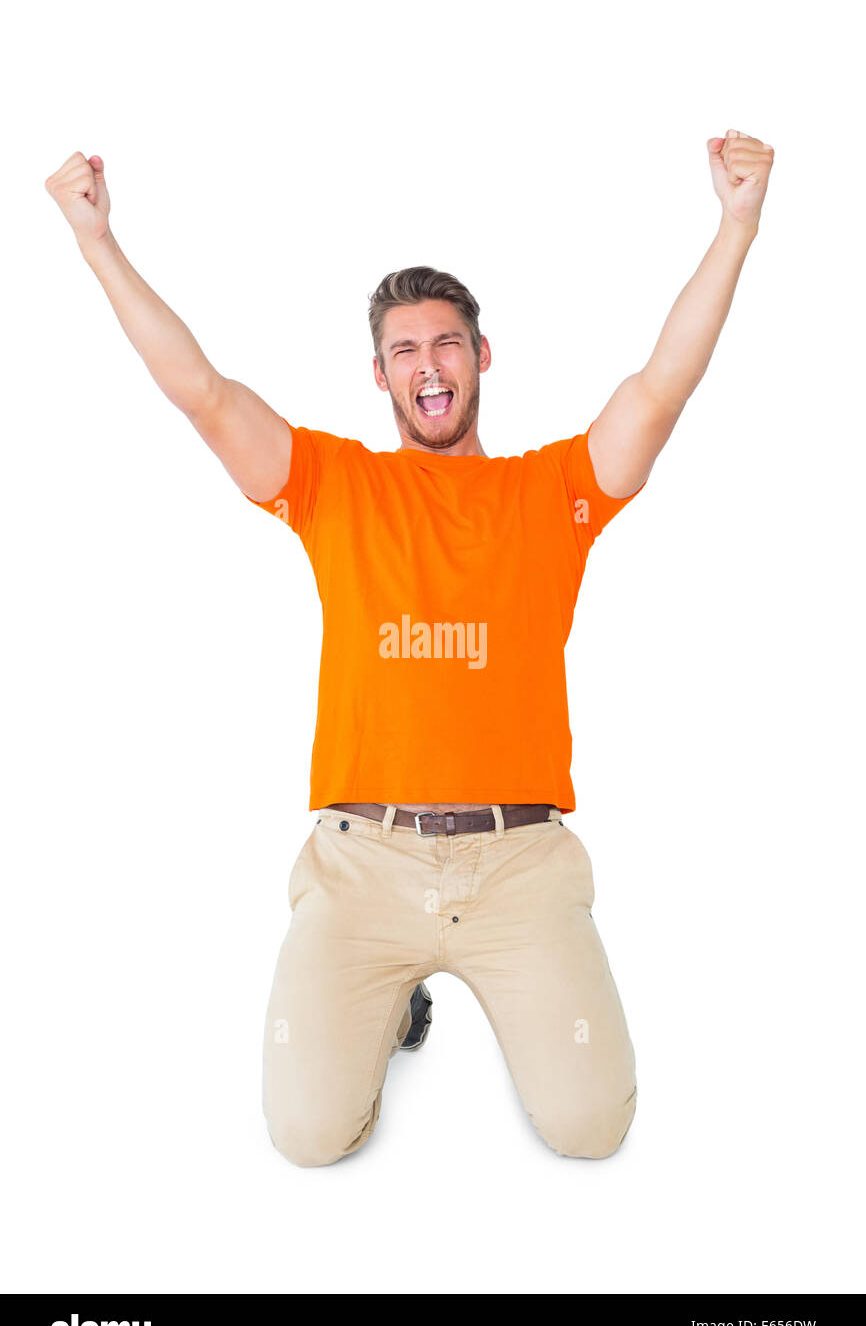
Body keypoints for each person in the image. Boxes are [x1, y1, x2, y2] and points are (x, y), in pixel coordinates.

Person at [45, 131, 774, 1167]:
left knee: (588, 1128)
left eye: (444, 344)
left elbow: (659, 386)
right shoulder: (335, 486)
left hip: (519, 861)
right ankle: (389, 1008)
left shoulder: (551, 490)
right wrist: (96, 241)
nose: (425, 366)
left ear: (480, 356)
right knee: (307, 1138)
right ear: (380, 376)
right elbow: (202, 392)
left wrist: (734, 224)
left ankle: (455, 988)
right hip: (363, 861)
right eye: (403, 351)